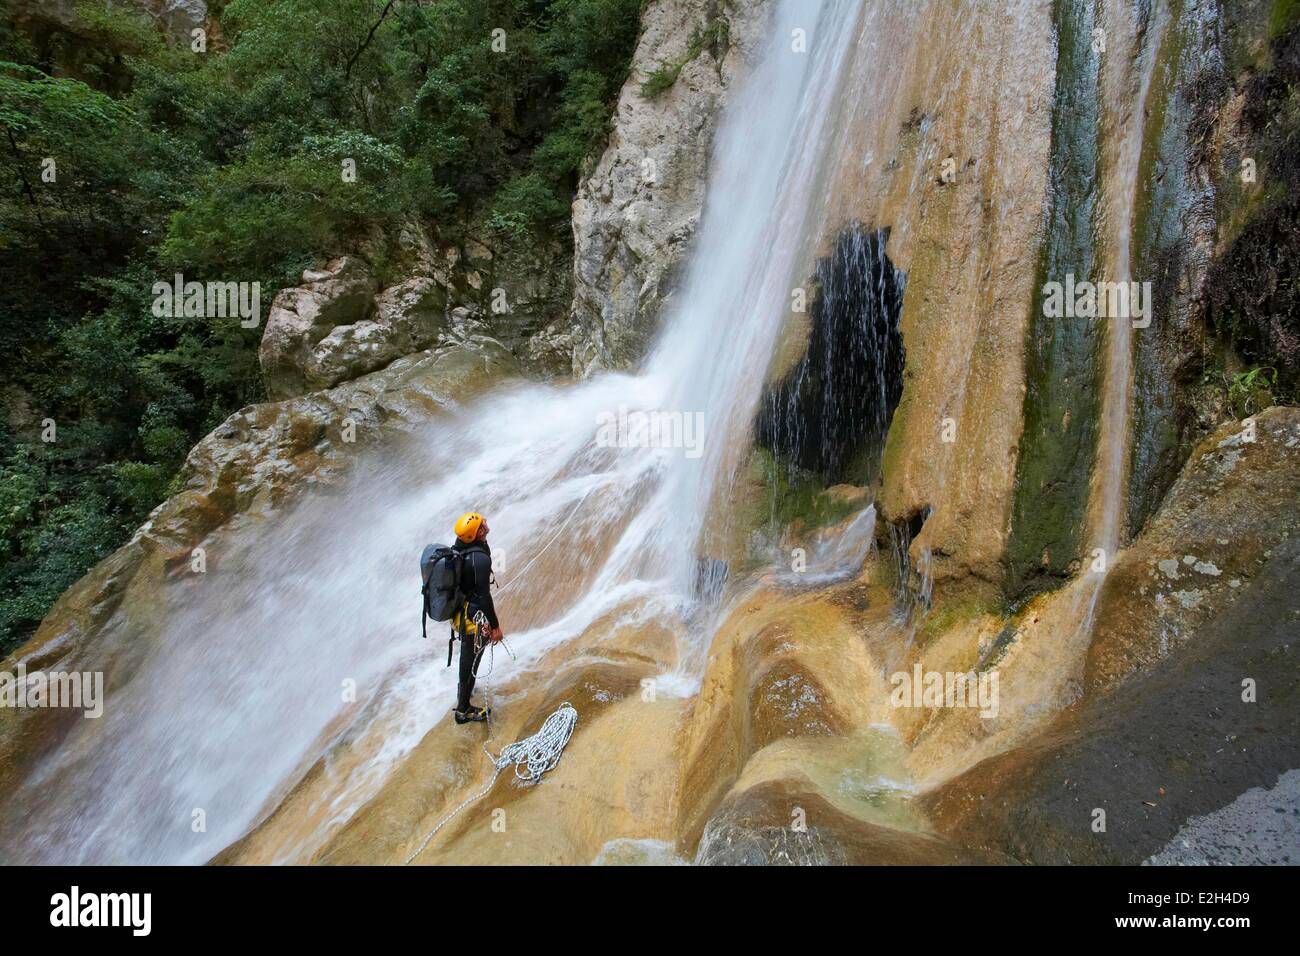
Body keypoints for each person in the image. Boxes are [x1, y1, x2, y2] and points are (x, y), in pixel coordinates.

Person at [450, 511, 503, 724]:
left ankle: (464, 689)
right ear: (478, 532)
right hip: (472, 617)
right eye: (483, 524)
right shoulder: (478, 559)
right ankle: (463, 710)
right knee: (470, 658)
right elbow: (483, 597)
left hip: (462, 611)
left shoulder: (462, 547)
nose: (487, 523)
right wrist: (495, 626)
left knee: (469, 657)